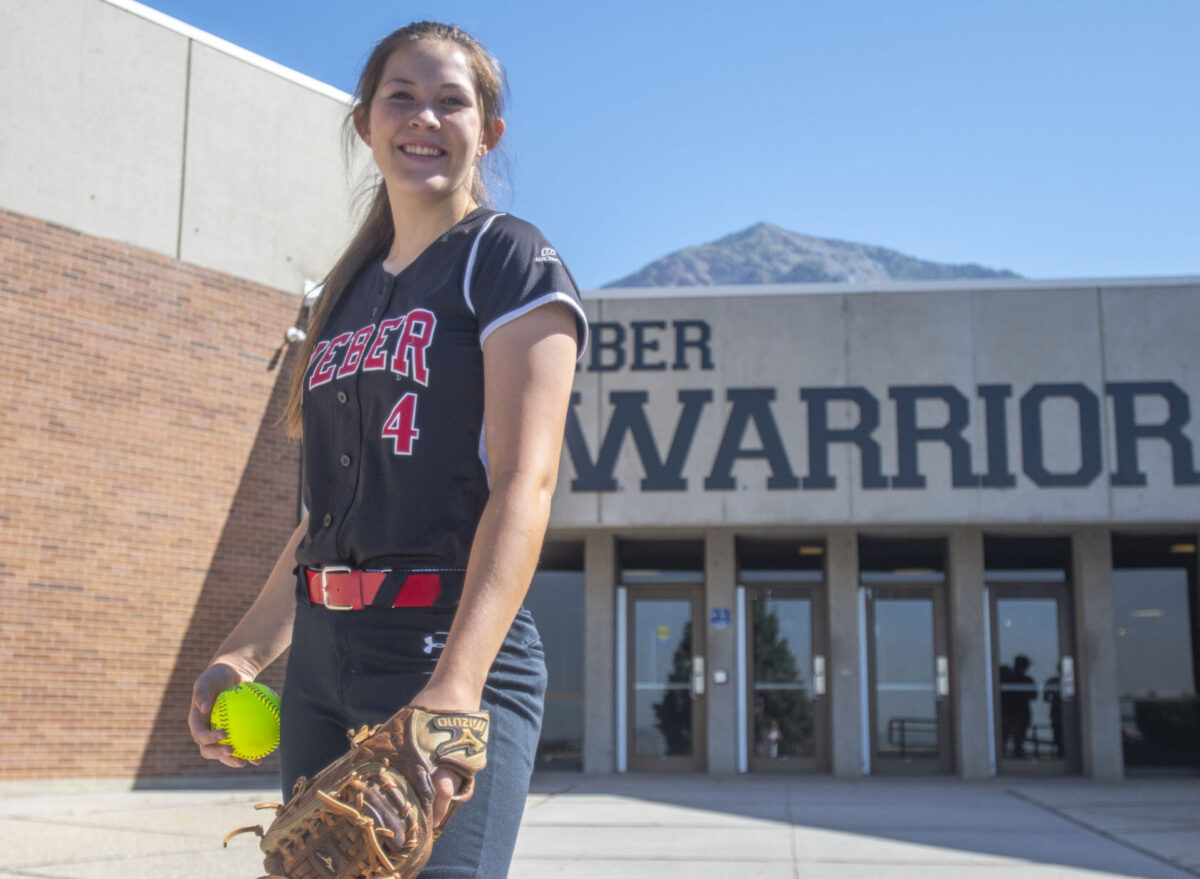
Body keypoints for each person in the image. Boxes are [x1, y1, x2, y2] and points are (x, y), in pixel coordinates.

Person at [186, 21, 587, 878]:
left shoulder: (509, 261)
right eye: (400, 97)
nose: (425, 118)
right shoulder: (344, 292)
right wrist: (243, 651)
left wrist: (455, 687)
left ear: (489, 132)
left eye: (452, 100)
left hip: (442, 649)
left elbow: (526, 482)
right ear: (366, 122)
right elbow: (322, 521)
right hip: (322, 664)